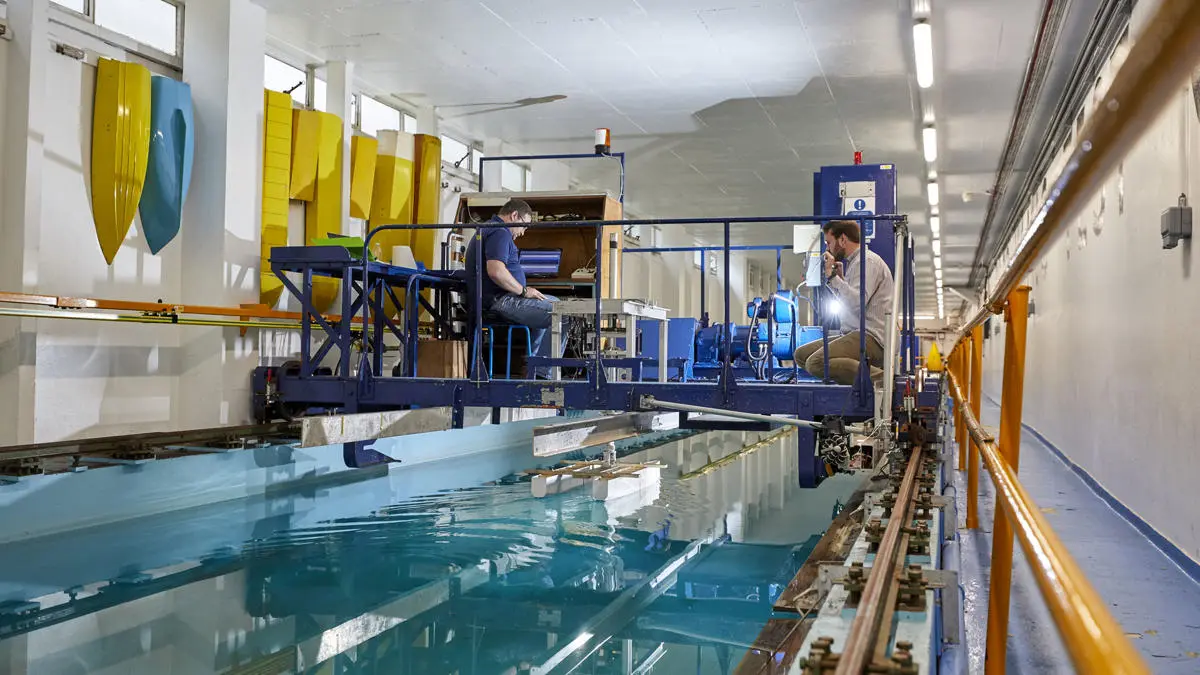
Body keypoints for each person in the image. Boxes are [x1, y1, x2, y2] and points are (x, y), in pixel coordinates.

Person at [464, 199, 558, 377]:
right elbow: (496, 272)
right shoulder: (500, 232)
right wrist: (524, 291)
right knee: (562, 313)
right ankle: (542, 373)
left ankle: (536, 366)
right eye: (524, 226)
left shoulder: (489, 228)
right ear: (514, 215)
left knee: (554, 303)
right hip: (502, 299)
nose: (523, 233)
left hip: (499, 298)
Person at [794, 219, 894, 384]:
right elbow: (850, 303)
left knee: (816, 363)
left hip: (873, 337)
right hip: (854, 333)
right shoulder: (855, 263)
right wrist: (838, 279)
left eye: (829, 242)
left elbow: (857, 304)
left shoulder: (867, 261)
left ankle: (884, 380)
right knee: (801, 355)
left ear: (842, 240)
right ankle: (862, 377)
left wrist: (833, 278)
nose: (827, 248)